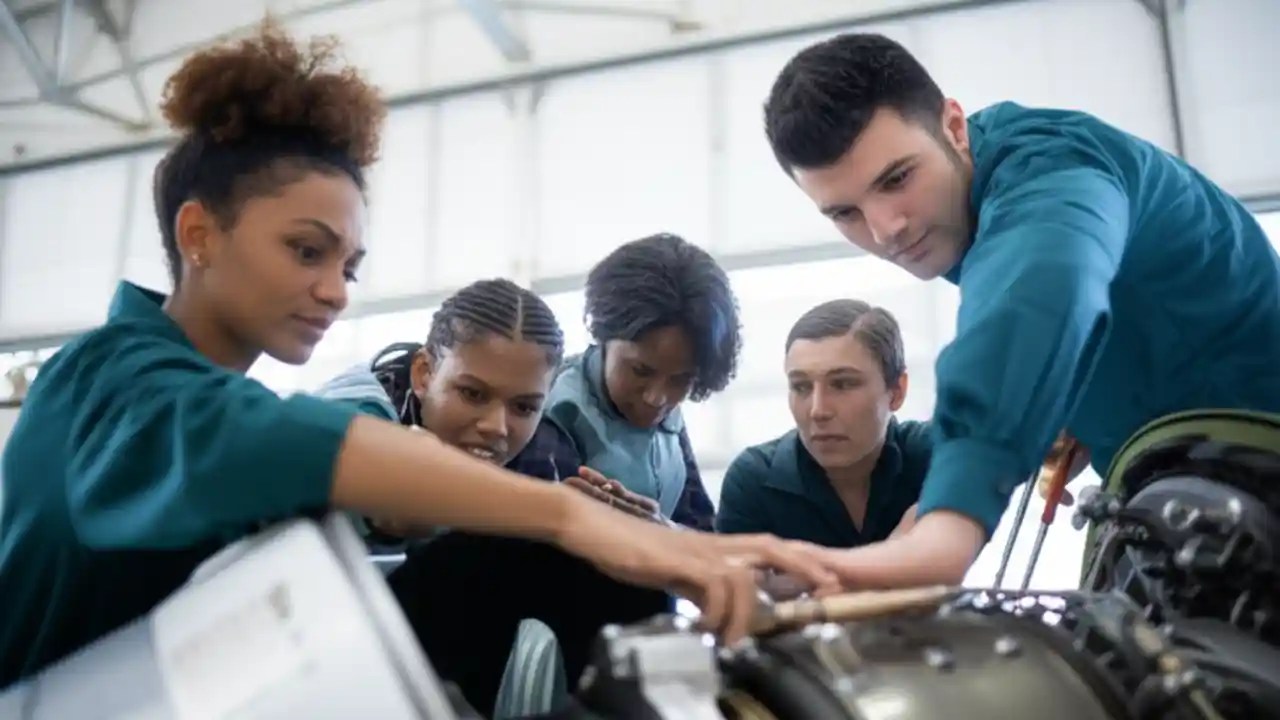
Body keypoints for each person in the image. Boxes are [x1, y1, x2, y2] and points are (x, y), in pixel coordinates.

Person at [0, 23, 842, 691]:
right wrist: (571, 515)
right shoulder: (112, 375)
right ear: (199, 234)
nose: (335, 289)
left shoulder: (173, 384)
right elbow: (278, 439)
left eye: (349, 266)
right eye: (306, 251)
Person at [761, 32, 1280, 588]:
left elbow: (1033, 293)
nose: (886, 230)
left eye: (897, 179)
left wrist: (944, 537)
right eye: (846, 212)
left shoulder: (1053, 171)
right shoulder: (964, 215)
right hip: (1189, 495)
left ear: (954, 127)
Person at [312, 278, 674, 714]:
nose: (497, 427)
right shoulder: (352, 418)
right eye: (472, 394)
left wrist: (643, 539)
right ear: (425, 374)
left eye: (523, 407)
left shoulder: (543, 450)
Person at [531, 233, 741, 531]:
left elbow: (700, 527)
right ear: (604, 336)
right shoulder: (558, 408)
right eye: (640, 371)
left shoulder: (669, 415)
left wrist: (663, 532)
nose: (657, 398)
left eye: (682, 379)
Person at [716, 299, 929, 546]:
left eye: (843, 384)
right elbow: (740, 582)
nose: (818, 410)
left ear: (897, 391)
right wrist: (897, 552)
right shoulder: (753, 480)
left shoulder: (935, 456)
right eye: (801, 386)